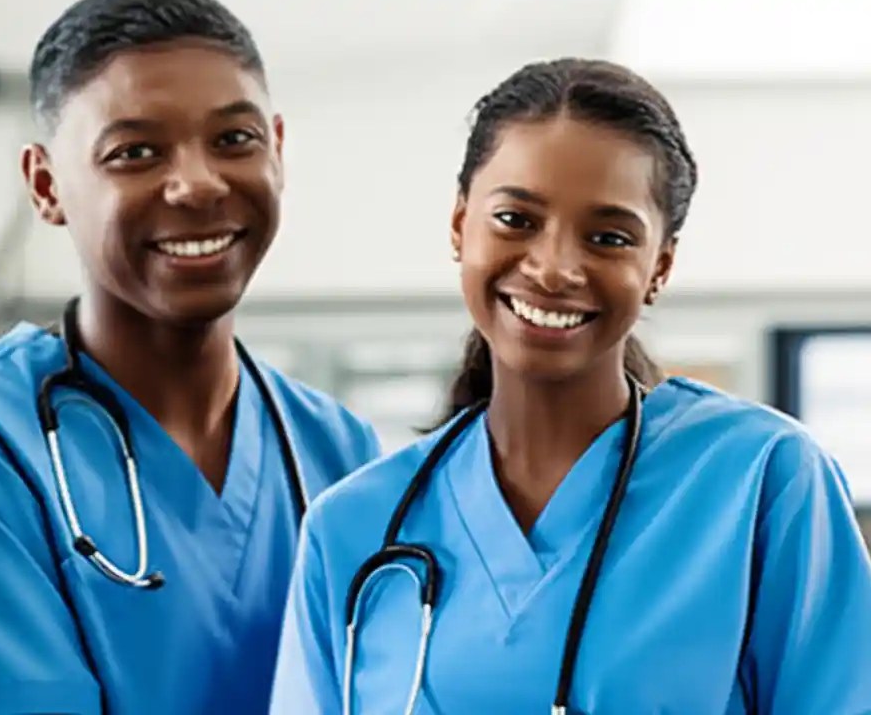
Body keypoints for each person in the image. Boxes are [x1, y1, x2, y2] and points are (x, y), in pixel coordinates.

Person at [269, 58, 871, 715]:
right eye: (515, 220)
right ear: (458, 224)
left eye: (609, 237)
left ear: (658, 267)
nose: (554, 268)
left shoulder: (760, 479)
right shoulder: (355, 528)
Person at [0, 0, 382, 713]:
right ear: (47, 185)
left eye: (234, 139)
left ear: (279, 150)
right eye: (134, 152)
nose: (197, 183)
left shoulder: (337, 454)